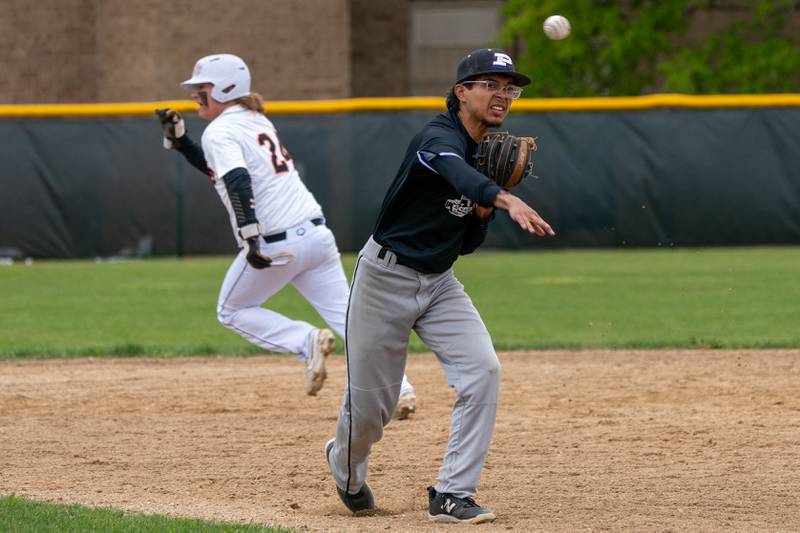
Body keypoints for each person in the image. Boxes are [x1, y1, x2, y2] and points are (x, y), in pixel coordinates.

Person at [325, 48, 554, 523]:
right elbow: (452, 169)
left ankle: (452, 494)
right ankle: (346, 470)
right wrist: (503, 198)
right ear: (461, 92)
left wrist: (484, 212)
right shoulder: (437, 138)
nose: (502, 95)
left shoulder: (486, 155)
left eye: (509, 89)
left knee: (483, 371)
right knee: (373, 409)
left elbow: (465, 244)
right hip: (384, 278)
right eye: (490, 85)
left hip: (439, 283)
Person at [156, 53, 419, 409]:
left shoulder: (221, 130)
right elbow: (219, 170)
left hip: (277, 242)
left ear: (224, 89)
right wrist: (183, 143)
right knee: (349, 318)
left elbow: (238, 179)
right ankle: (399, 389)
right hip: (315, 235)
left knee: (231, 310)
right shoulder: (254, 119)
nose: (194, 95)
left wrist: (250, 237)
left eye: (201, 87)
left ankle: (304, 341)